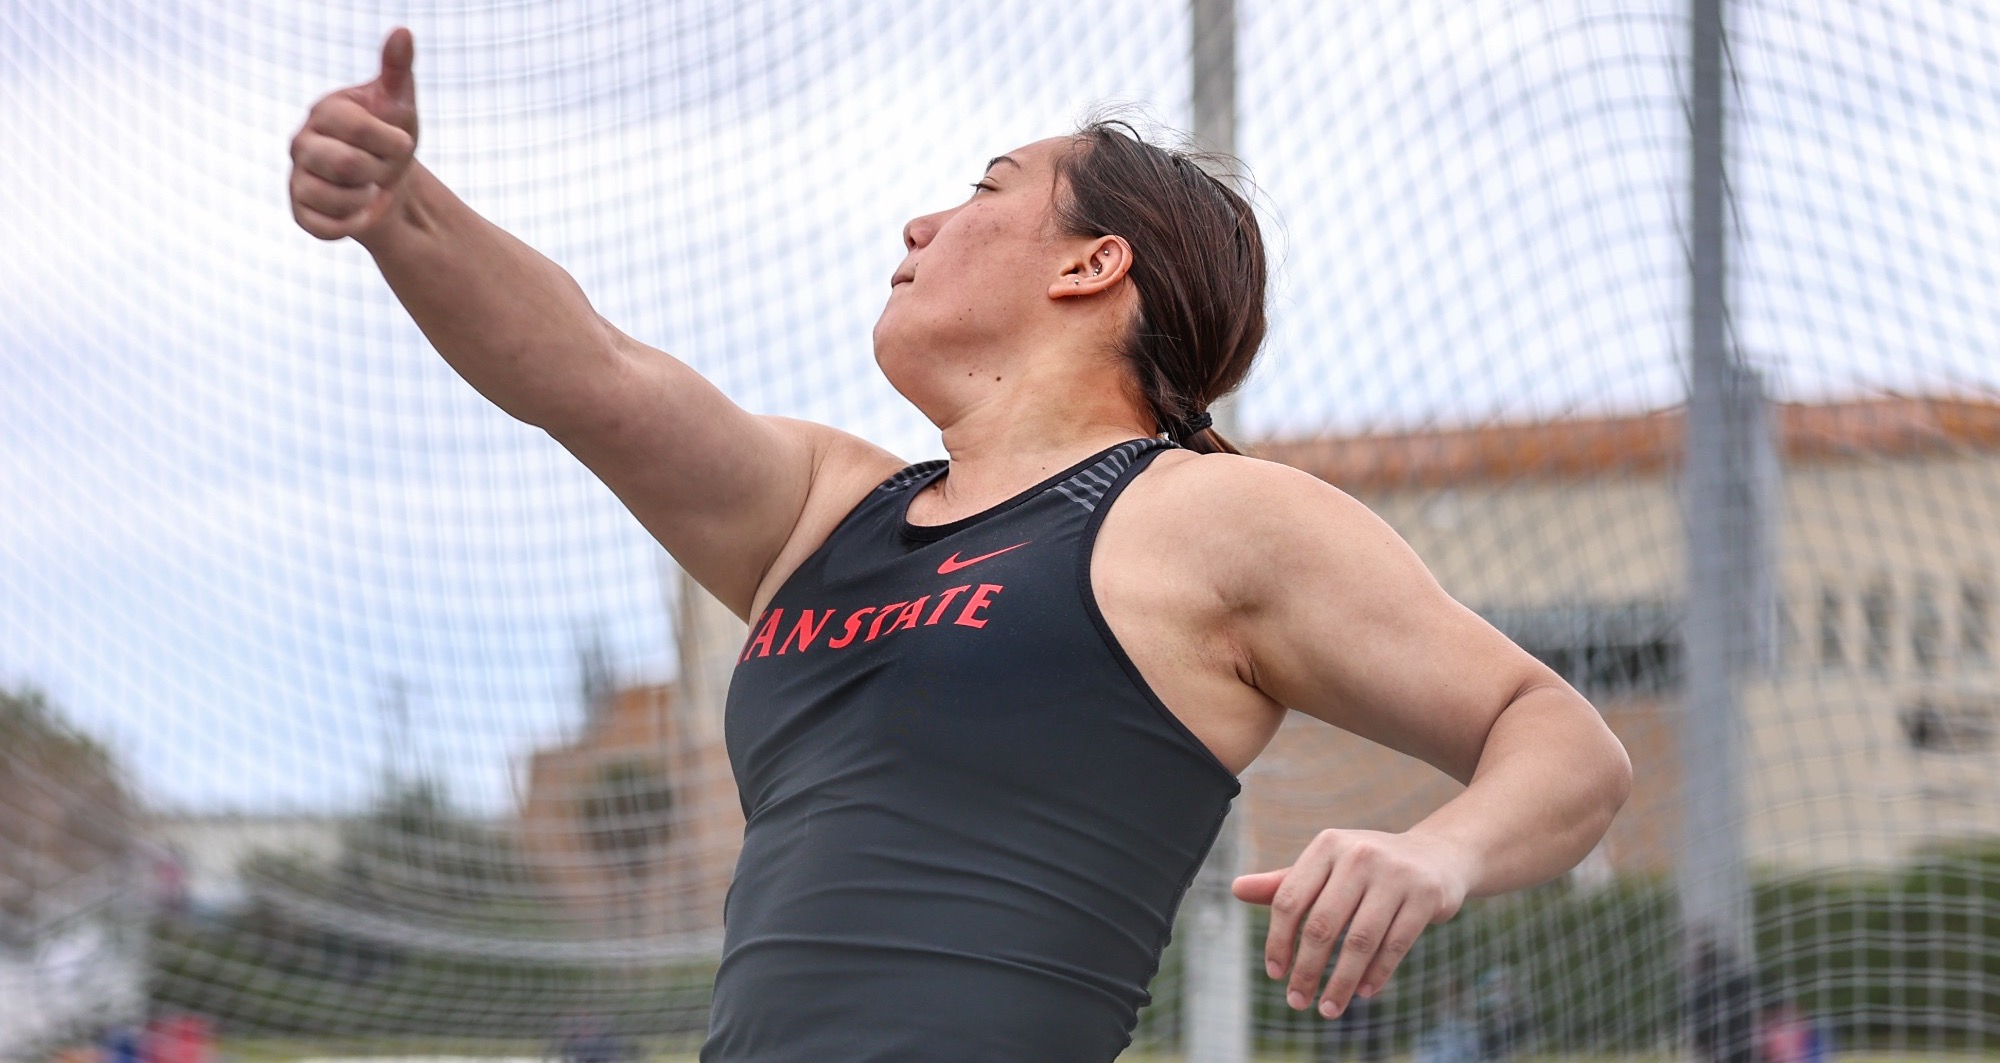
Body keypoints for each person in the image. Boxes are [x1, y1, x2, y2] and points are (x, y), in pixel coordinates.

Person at [289, 29, 1633, 1063]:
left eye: (985, 190)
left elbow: (1561, 737)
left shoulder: (1210, 514)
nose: (920, 225)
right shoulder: (827, 504)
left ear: (1090, 267)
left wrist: (1434, 853)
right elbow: (588, 372)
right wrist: (402, 202)